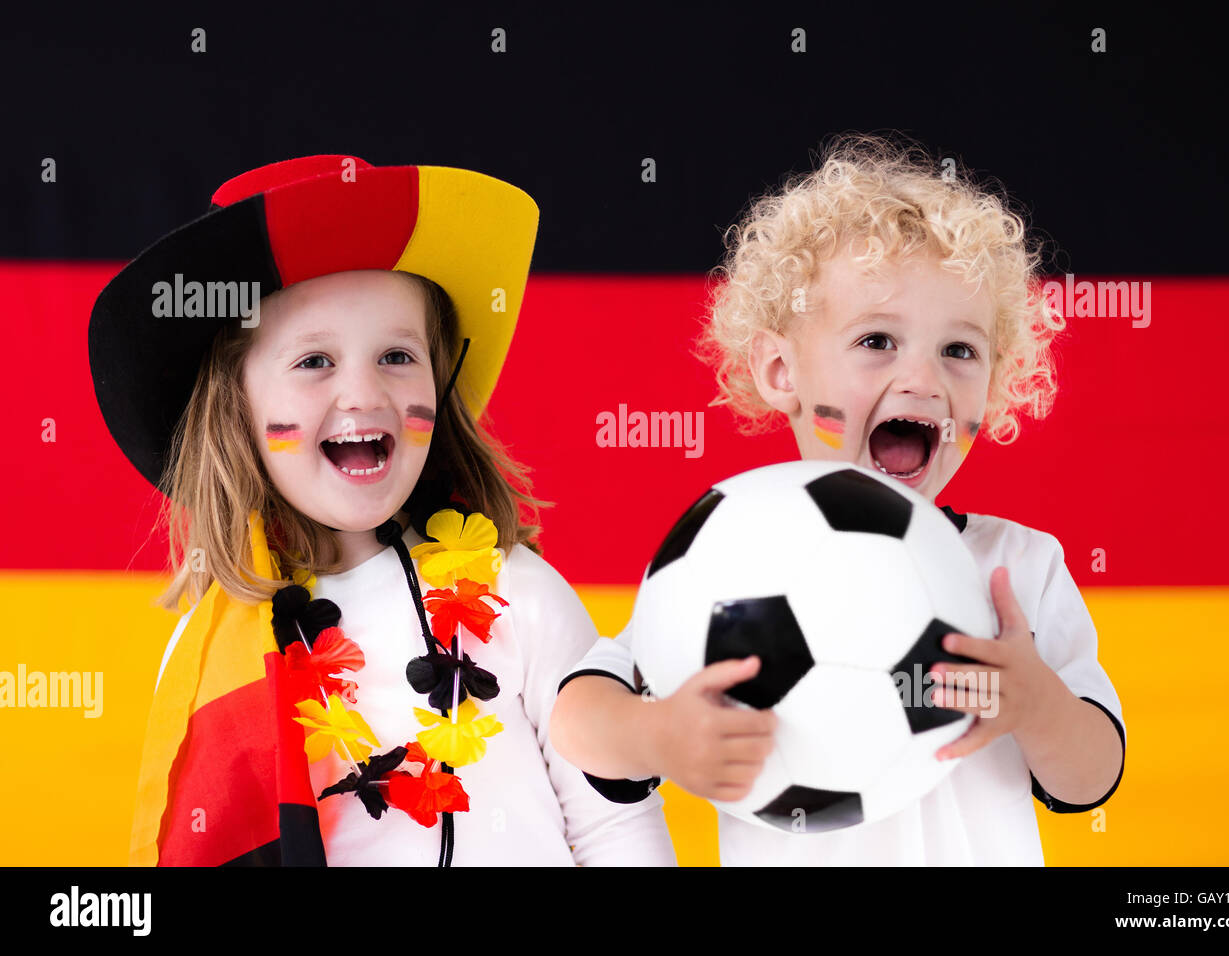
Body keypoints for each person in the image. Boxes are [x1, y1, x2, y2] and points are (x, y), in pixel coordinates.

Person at [549, 134, 1125, 865]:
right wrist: (659, 735)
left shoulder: (1017, 567)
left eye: (960, 350)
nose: (922, 379)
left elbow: (1092, 776)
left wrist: (1039, 706)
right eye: (878, 340)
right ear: (782, 370)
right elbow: (576, 718)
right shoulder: (729, 556)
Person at [89, 154, 675, 866]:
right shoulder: (206, 658)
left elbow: (616, 825)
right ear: (234, 409)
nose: (364, 395)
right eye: (314, 362)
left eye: (397, 356)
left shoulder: (516, 592)